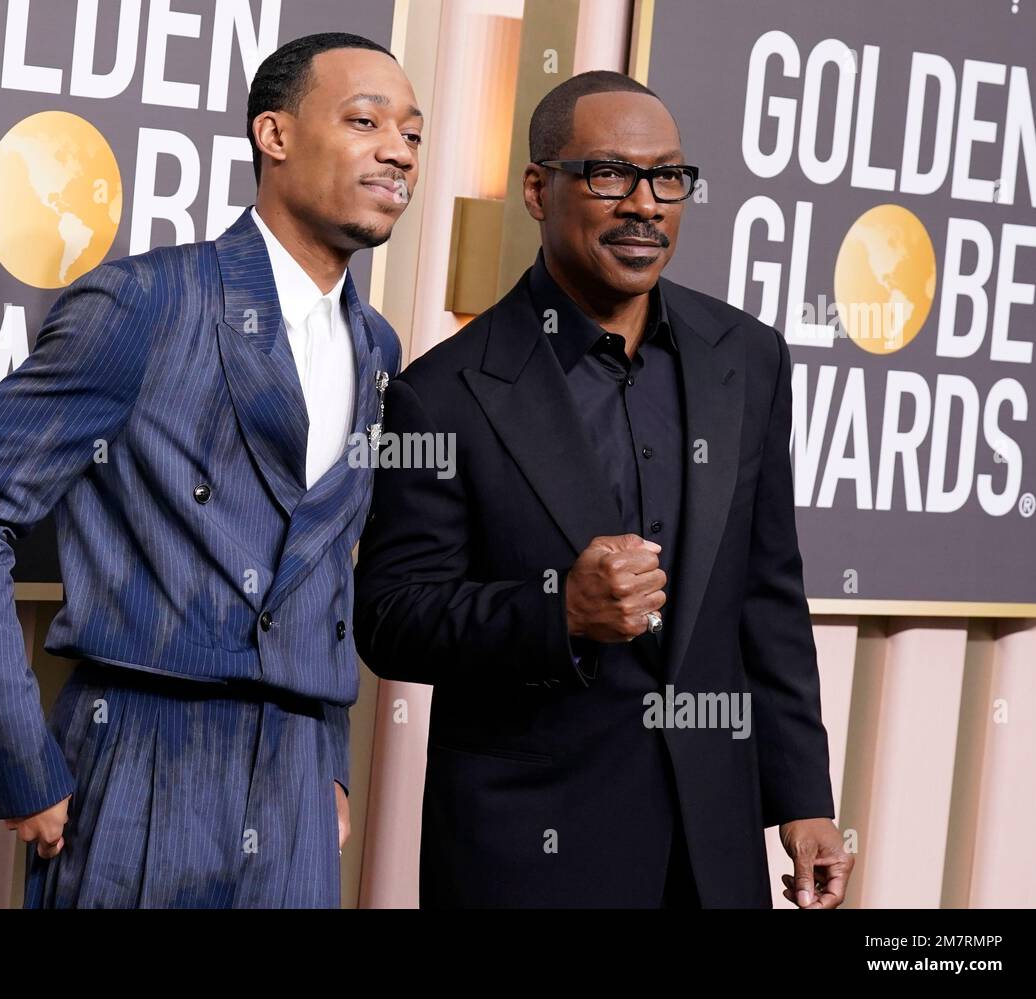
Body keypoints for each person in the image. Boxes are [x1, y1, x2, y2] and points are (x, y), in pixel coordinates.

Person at [0, 31, 421, 908]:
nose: (397, 151)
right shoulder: (147, 301)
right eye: (365, 120)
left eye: (412, 133)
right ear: (275, 134)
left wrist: (328, 766)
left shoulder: (376, 345)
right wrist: (19, 761)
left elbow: (323, 571)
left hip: (296, 789)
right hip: (142, 750)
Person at [353, 70, 852, 908]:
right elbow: (393, 616)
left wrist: (802, 795)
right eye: (611, 175)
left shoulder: (748, 357)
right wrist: (558, 614)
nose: (646, 205)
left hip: (712, 841)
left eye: (669, 178)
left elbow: (767, 589)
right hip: (529, 853)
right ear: (539, 190)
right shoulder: (442, 391)